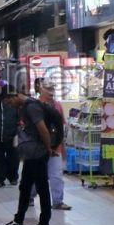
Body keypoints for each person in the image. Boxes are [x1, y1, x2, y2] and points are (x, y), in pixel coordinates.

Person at [2, 88, 53, 225]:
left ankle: (44, 224)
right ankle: (18, 220)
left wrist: (48, 148)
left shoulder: (31, 107)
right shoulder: (25, 106)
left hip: (38, 152)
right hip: (32, 154)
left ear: (15, 95)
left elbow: (43, 130)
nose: (10, 105)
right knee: (25, 187)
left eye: (9, 101)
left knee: (42, 187)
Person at [36, 81, 71, 212]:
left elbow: (61, 127)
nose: (51, 91)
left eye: (53, 89)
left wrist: (62, 146)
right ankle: (29, 197)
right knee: (37, 175)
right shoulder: (34, 105)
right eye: (48, 89)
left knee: (56, 175)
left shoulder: (57, 106)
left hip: (55, 148)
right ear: (41, 90)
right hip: (39, 147)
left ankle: (57, 201)